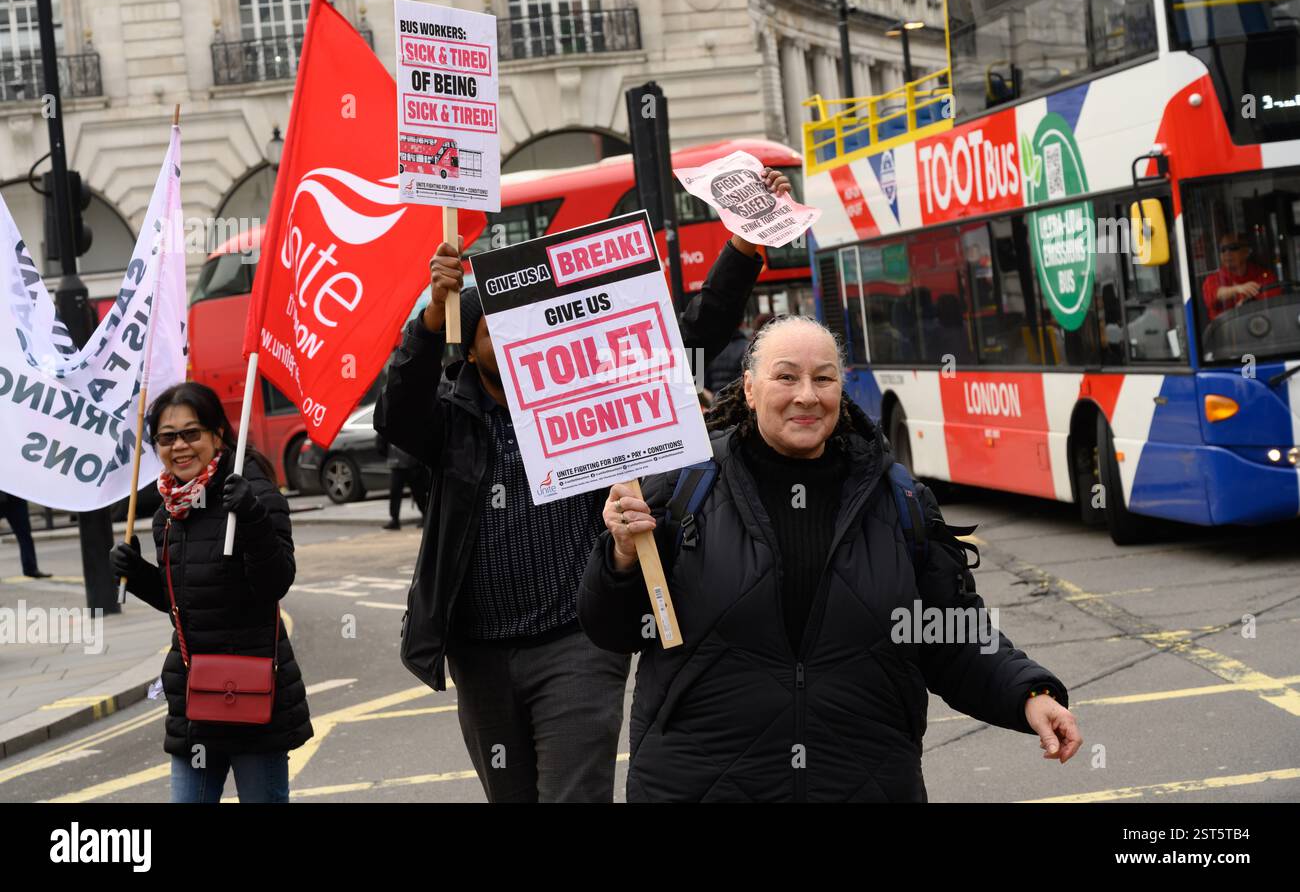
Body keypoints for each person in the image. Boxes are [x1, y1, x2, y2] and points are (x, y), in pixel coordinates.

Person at [374, 169, 793, 803]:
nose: (511, 343)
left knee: (576, 794)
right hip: (480, 653)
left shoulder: (587, 390)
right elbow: (396, 413)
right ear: (473, 339)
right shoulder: (450, 419)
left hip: (578, 642)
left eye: (522, 330)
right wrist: (432, 318)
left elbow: (693, 336)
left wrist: (741, 240)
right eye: (494, 330)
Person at [580, 315, 1081, 802]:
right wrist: (622, 556)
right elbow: (612, 629)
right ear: (750, 390)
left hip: (865, 781)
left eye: (824, 378)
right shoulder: (684, 488)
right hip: (696, 783)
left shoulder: (899, 498)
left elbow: (950, 635)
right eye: (786, 377)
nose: (807, 395)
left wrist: (1028, 694)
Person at [109, 382, 313, 803]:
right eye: (167, 437)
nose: (179, 446)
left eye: (191, 433)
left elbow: (275, 584)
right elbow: (184, 602)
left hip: (253, 696)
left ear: (218, 434)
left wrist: (253, 517)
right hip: (195, 699)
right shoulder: (168, 510)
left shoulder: (253, 492)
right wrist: (141, 574)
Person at [1202, 232, 1280, 321]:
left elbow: (1274, 302)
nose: (1227, 253)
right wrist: (1237, 289)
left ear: (1246, 252)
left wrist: (1247, 305)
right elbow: (1213, 295)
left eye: (1233, 248)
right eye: (1223, 249)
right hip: (1227, 331)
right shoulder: (1213, 279)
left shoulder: (1263, 275)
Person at [1, 491, 50, 578]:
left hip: (16, 495)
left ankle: (31, 569)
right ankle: (30, 568)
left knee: (25, 534)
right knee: (24, 535)